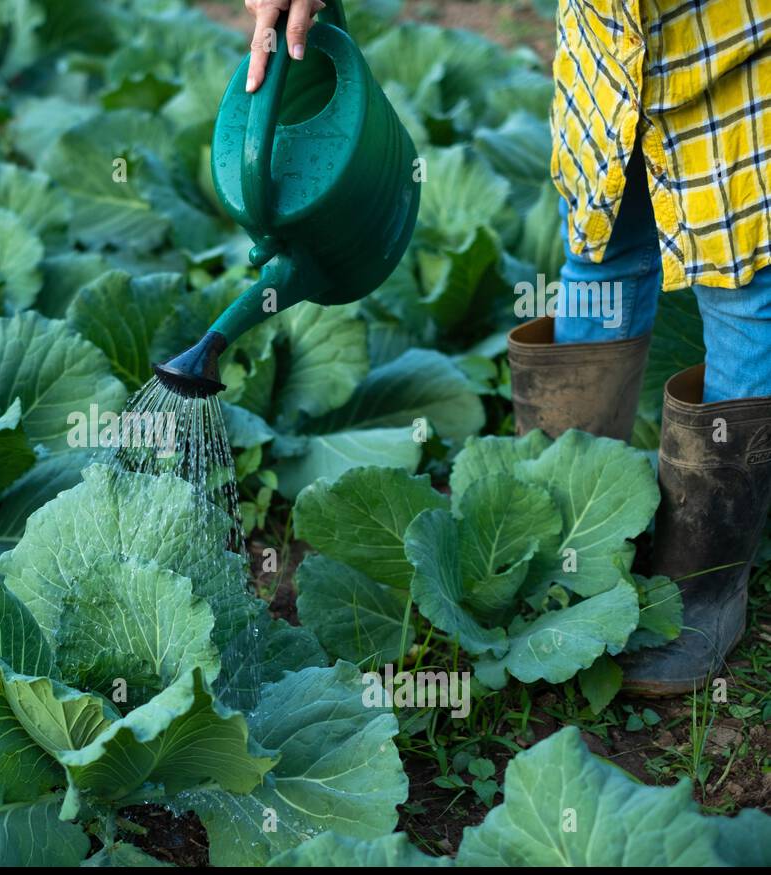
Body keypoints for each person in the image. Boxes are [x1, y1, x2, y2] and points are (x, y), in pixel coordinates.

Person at [246, 0, 771, 696]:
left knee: (741, 287)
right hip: (606, 35)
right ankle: (562, 547)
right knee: (600, 244)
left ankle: (703, 589)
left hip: (733, 45)